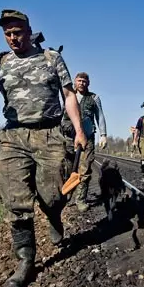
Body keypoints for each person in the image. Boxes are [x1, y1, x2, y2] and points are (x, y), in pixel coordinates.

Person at [0, 9, 87, 287]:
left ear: (29, 31)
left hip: (49, 133)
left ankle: (54, 215)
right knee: (15, 196)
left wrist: (79, 131)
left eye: (17, 32)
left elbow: (69, 96)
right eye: (7, 34)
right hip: (14, 135)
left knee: (54, 195)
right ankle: (25, 260)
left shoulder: (50, 58)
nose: (12, 38)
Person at [60, 72, 108, 212]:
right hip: (68, 137)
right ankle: (66, 196)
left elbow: (100, 116)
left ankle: (80, 199)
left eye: (84, 81)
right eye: (79, 81)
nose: (81, 83)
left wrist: (103, 135)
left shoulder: (94, 98)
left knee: (85, 168)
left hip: (86, 138)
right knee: (66, 168)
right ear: (75, 82)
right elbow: (59, 115)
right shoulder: (68, 95)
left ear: (88, 83)